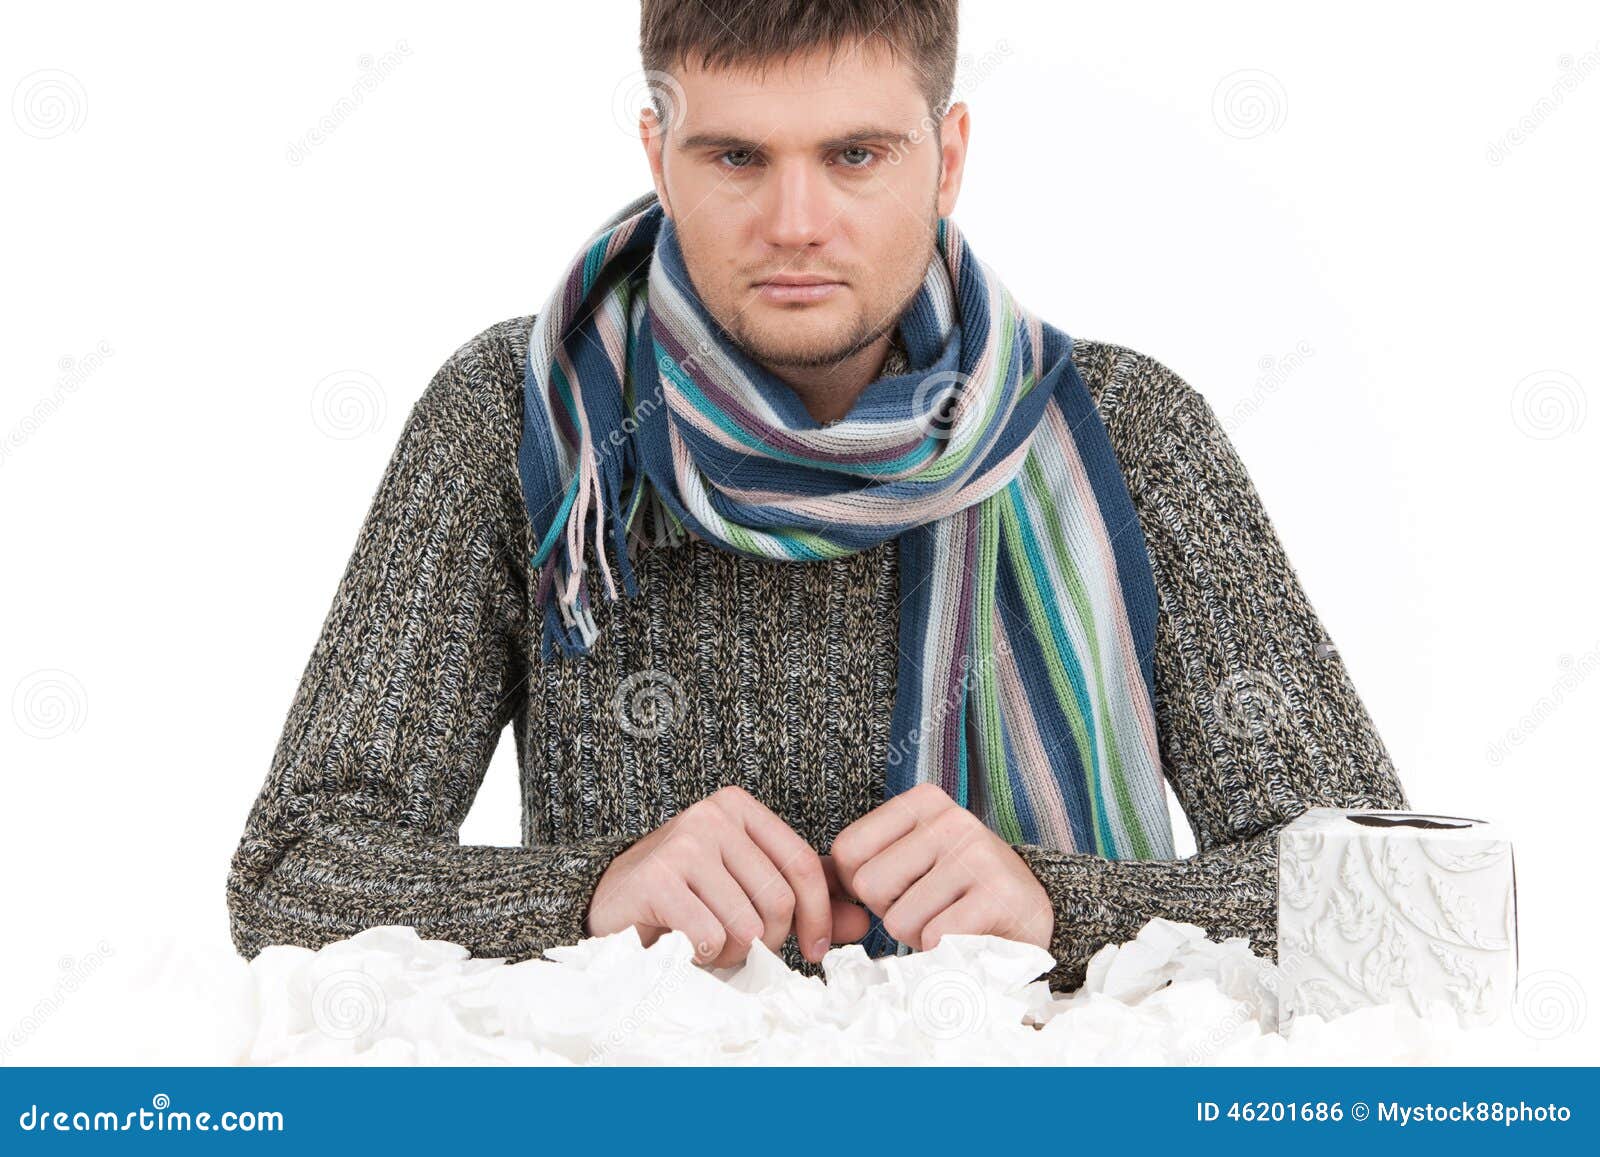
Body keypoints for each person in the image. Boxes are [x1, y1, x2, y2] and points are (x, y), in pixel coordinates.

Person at [225, 0, 1408, 994]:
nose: (796, 225)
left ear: (945, 157)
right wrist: (586, 895)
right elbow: (292, 873)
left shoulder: (1118, 430)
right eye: (736, 156)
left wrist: (1062, 907)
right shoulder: (533, 414)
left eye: (855, 154)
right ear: (656, 154)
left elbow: (1384, 901)